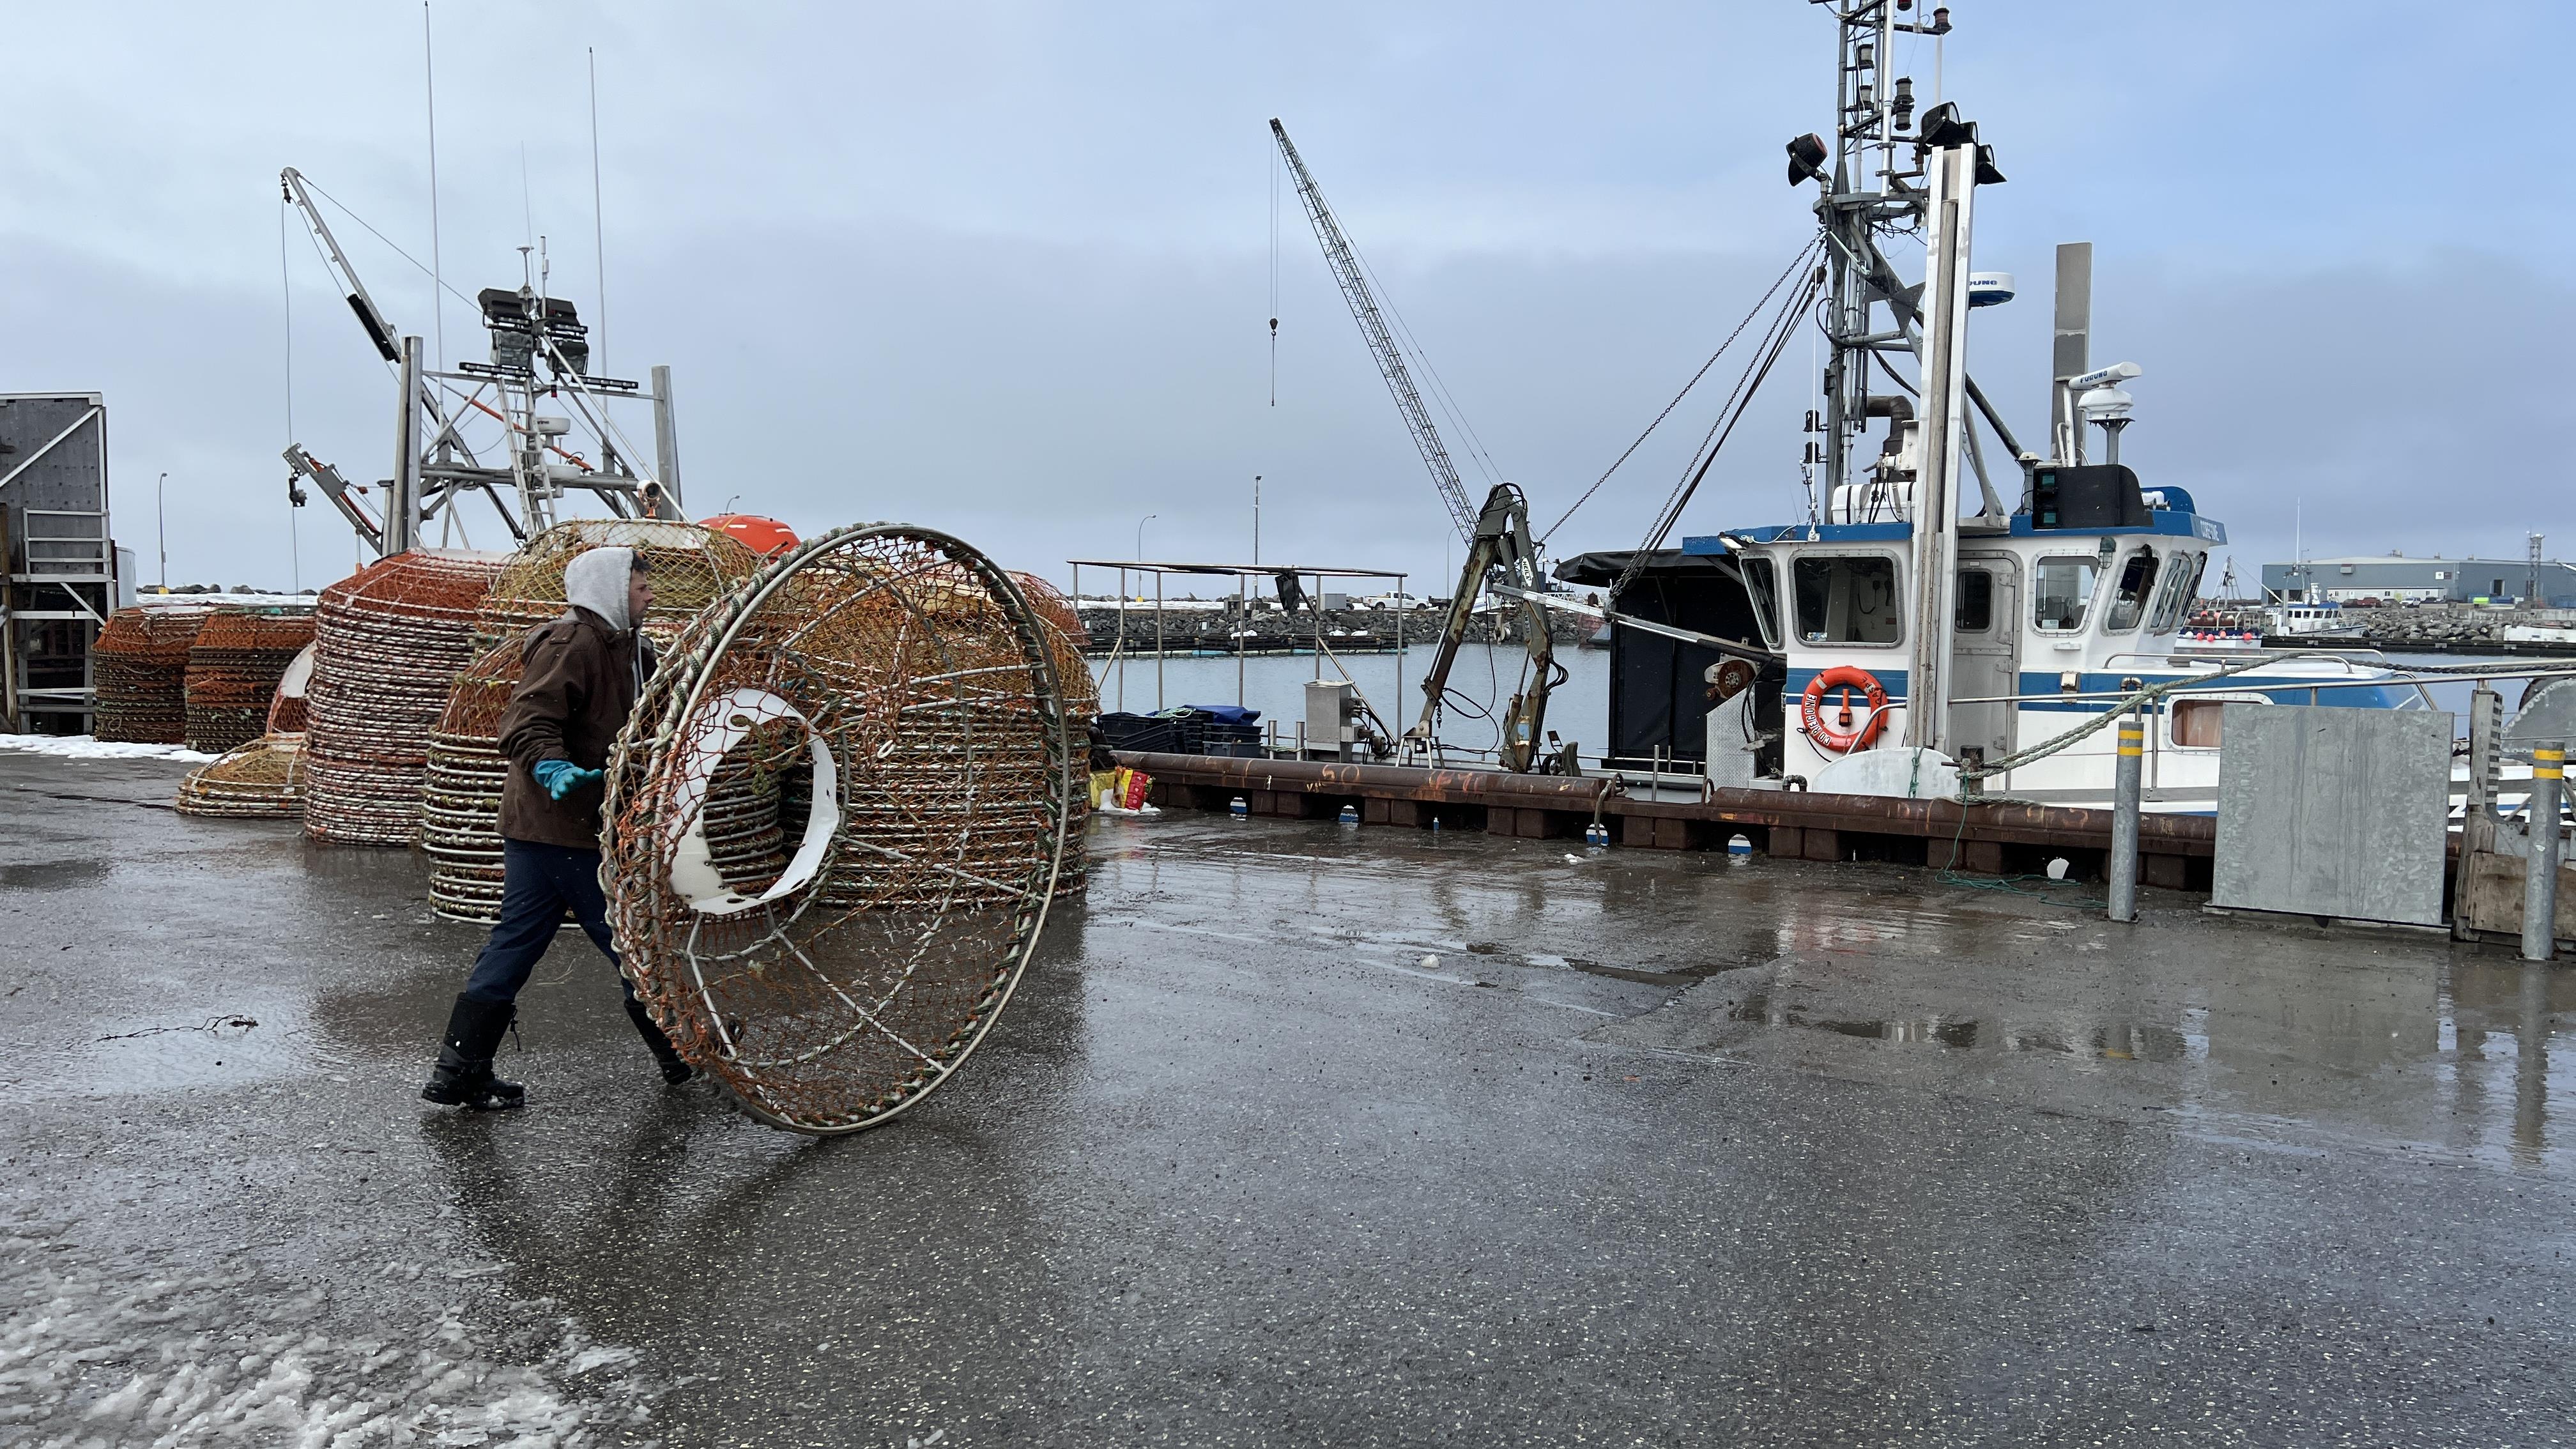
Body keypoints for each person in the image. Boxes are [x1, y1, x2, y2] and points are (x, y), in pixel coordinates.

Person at [422, 546, 693, 1109]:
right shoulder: (573, 643)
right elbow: (527, 718)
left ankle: (458, 1070)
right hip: (563, 825)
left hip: (555, 829)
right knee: (630, 941)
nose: (649, 595)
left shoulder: (634, 651)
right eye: (640, 586)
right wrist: (552, 765)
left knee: (517, 942)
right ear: (610, 589)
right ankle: (682, 1053)